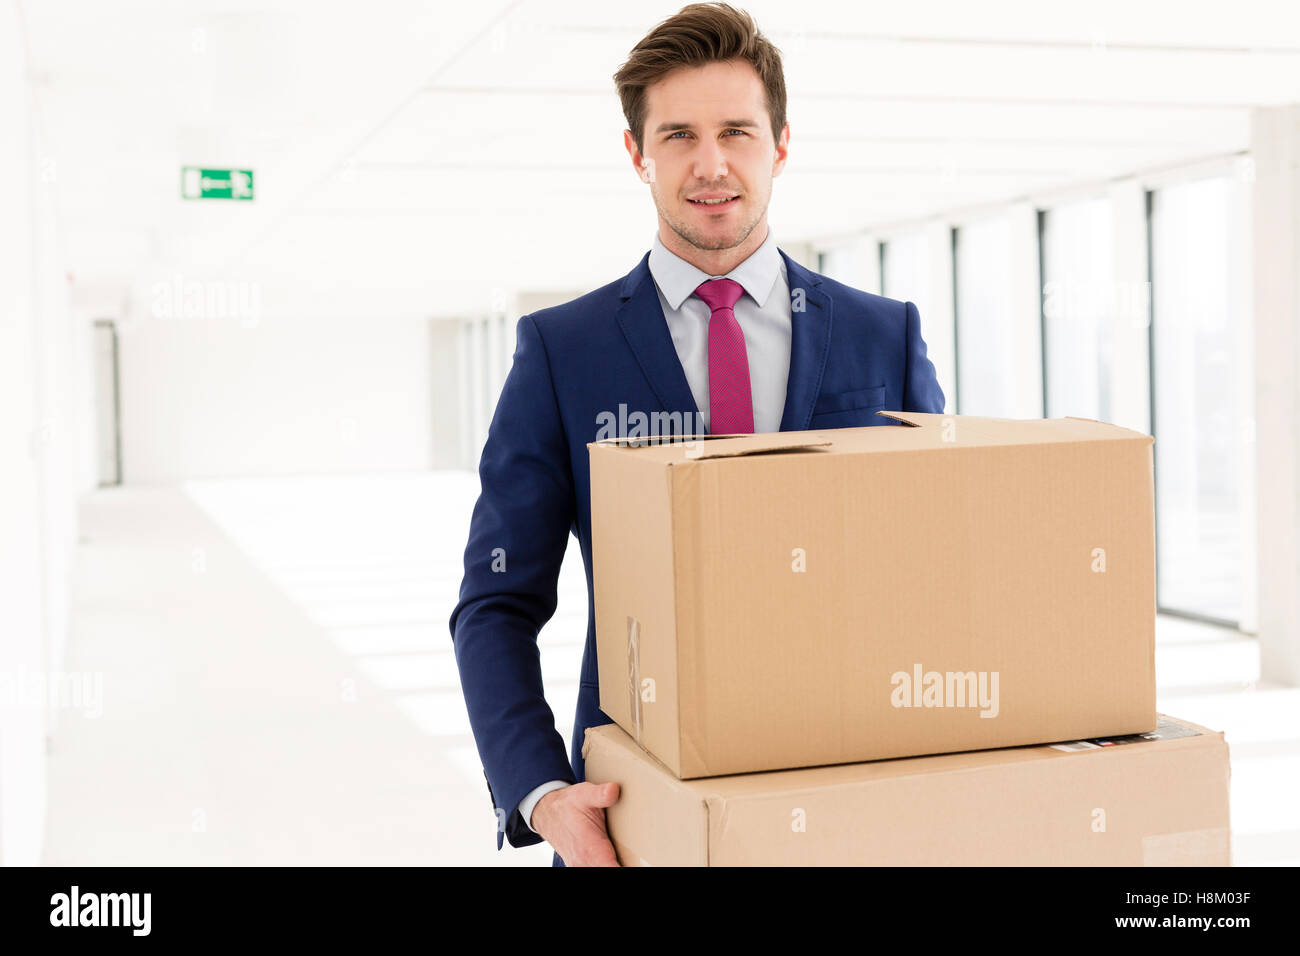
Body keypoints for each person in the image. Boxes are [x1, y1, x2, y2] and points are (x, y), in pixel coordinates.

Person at [448, 1, 945, 867]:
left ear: (781, 144)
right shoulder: (563, 350)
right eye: (677, 135)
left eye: (737, 132)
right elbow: (495, 602)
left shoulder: (883, 334)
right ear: (637, 154)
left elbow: (946, 564)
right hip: (636, 804)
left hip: (853, 785)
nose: (710, 165)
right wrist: (541, 793)